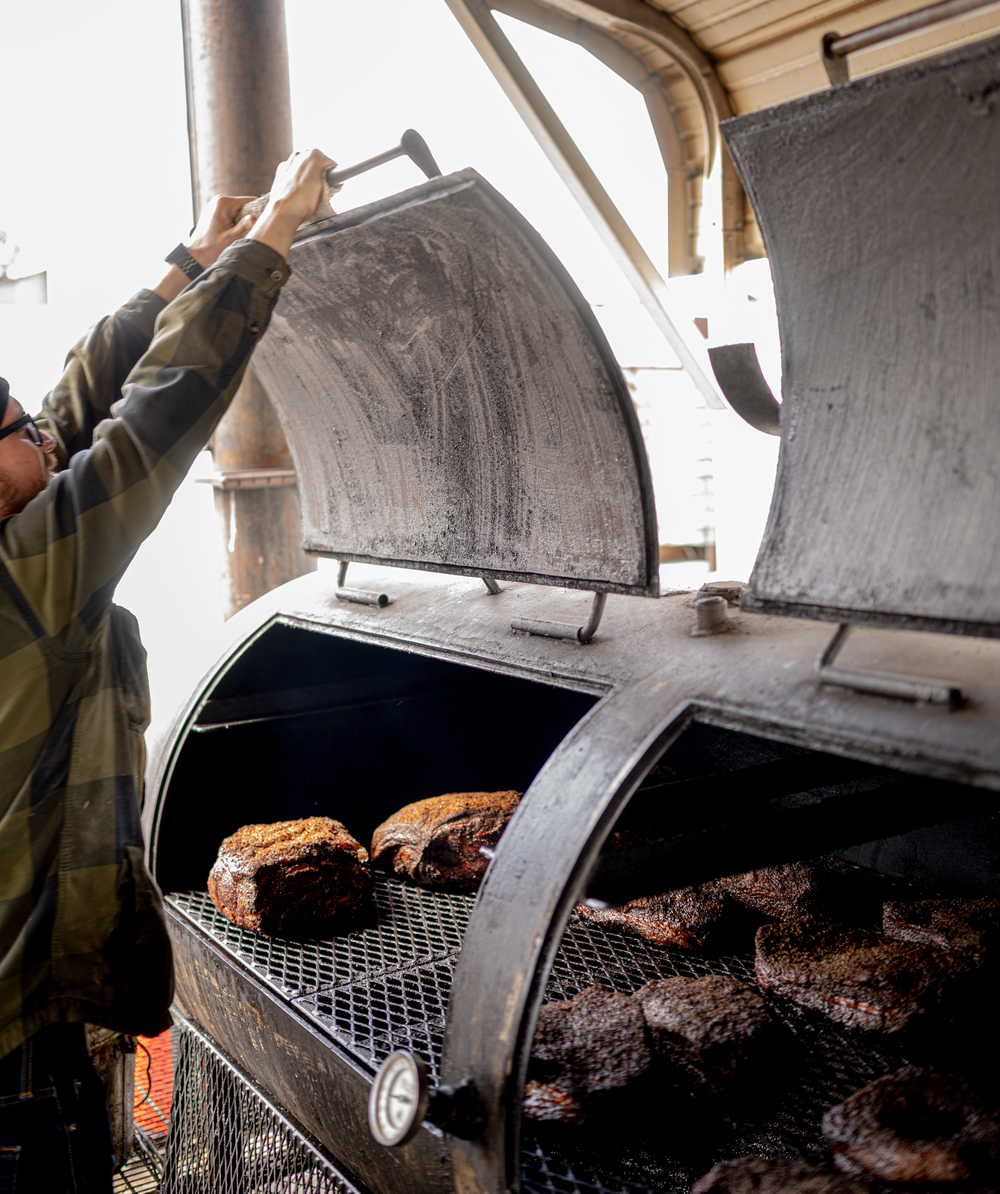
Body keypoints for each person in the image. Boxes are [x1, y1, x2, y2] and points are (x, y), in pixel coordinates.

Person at [0, 146, 335, 1191]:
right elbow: (150, 421)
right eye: (14, 428)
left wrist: (189, 261)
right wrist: (268, 240)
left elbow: (71, 408)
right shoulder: (26, 585)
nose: (44, 435)